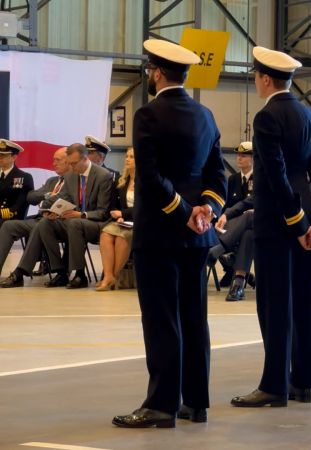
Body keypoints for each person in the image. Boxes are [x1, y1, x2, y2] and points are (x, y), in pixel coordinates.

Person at [112, 39, 226, 428]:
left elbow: (149, 175)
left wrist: (182, 211)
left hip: (161, 233)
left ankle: (162, 404)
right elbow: (217, 176)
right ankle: (196, 402)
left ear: (158, 73)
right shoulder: (206, 115)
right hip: (198, 236)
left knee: (162, 318)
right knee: (194, 317)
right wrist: (206, 210)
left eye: (149, 70)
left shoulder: (148, 115)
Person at [231, 46, 311, 408]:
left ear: (265, 78)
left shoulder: (266, 117)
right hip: (305, 218)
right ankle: (302, 382)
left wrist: (298, 223)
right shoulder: (308, 117)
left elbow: (273, 175)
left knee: (274, 305)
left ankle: (274, 385)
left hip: (280, 221)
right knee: (303, 302)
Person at [0, 143, 114, 289]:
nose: (71, 167)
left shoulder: (103, 176)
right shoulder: (72, 175)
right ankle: (60, 271)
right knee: (44, 223)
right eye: (70, 164)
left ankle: (80, 274)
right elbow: (62, 197)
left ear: (85, 159)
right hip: (72, 220)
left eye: (73, 163)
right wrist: (50, 209)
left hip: (94, 222)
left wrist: (81, 214)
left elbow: (103, 212)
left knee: (74, 223)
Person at [0, 147, 68, 273]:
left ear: (68, 162)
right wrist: (48, 195)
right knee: (9, 226)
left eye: (58, 160)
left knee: (39, 225)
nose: (54, 163)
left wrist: (47, 197)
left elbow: (62, 200)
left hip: (59, 222)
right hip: (41, 219)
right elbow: (31, 197)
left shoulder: (75, 180)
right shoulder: (52, 181)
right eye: (53, 160)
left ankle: (20, 272)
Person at [209, 141, 256, 301]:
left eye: (244, 155)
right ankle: (240, 280)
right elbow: (226, 204)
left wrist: (228, 215)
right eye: (238, 155)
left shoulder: (260, 178)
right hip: (235, 228)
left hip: (254, 223)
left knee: (248, 221)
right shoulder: (234, 180)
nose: (239, 158)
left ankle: (218, 249)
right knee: (247, 234)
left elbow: (251, 202)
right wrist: (219, 217)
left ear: (253, 158)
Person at [97, 147, 135, 291]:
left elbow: (146, 208)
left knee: (122, 237)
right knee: (106, 234)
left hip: (141, 222)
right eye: (127, 156)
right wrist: (117, 215)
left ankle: (114, 275)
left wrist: (123, 214)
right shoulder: (120, 181)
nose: (127, 159)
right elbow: (113, 205)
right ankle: (108, 276)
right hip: (122, 221)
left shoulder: (147, 182)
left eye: (131, 157)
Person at [0, 139, 34, 226]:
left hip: (9, 218)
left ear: (14, 157)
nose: (0, 157)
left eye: (3, 155)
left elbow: (19, 206)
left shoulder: (23, 177)